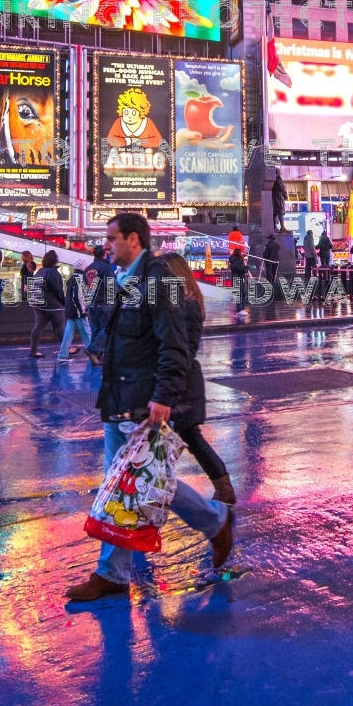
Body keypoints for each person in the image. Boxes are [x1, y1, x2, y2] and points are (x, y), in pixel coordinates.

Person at [66, 214, 235, 604]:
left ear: (134, 240)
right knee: (129, 484)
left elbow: (175, 345)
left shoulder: (163, 281)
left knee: (141, 482)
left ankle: (212, 521)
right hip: (120, 399)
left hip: (142, 403)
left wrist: (163, 394)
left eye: (111, 238)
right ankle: (117, 571)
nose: (105, 245)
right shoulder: (124, 280)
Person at [158, 252, 236, 504]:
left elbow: (183, 347)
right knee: (188, 438)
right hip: (182, 377)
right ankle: (222, 489)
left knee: (176, 440)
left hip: (182, 379)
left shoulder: (185, 304)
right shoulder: (183, 300)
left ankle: (211, 497)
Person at [27, 250, 67, 359]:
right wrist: (64, 302)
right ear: (55, 260)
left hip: (38, 304)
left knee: (38, 326)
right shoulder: (53, 273)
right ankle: (65, 350)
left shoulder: (40, 271)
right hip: (52, 305)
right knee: (60, 327)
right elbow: (58, 290)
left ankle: (33, 351)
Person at [58, 260, 91, 357]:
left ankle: (62, 354)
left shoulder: (71, 278)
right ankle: (93, 354)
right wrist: (83, 310)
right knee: (86, 333)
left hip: (70, 310)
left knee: (68, 333)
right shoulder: (80, 279)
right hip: (78, 311)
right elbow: (78, 296)